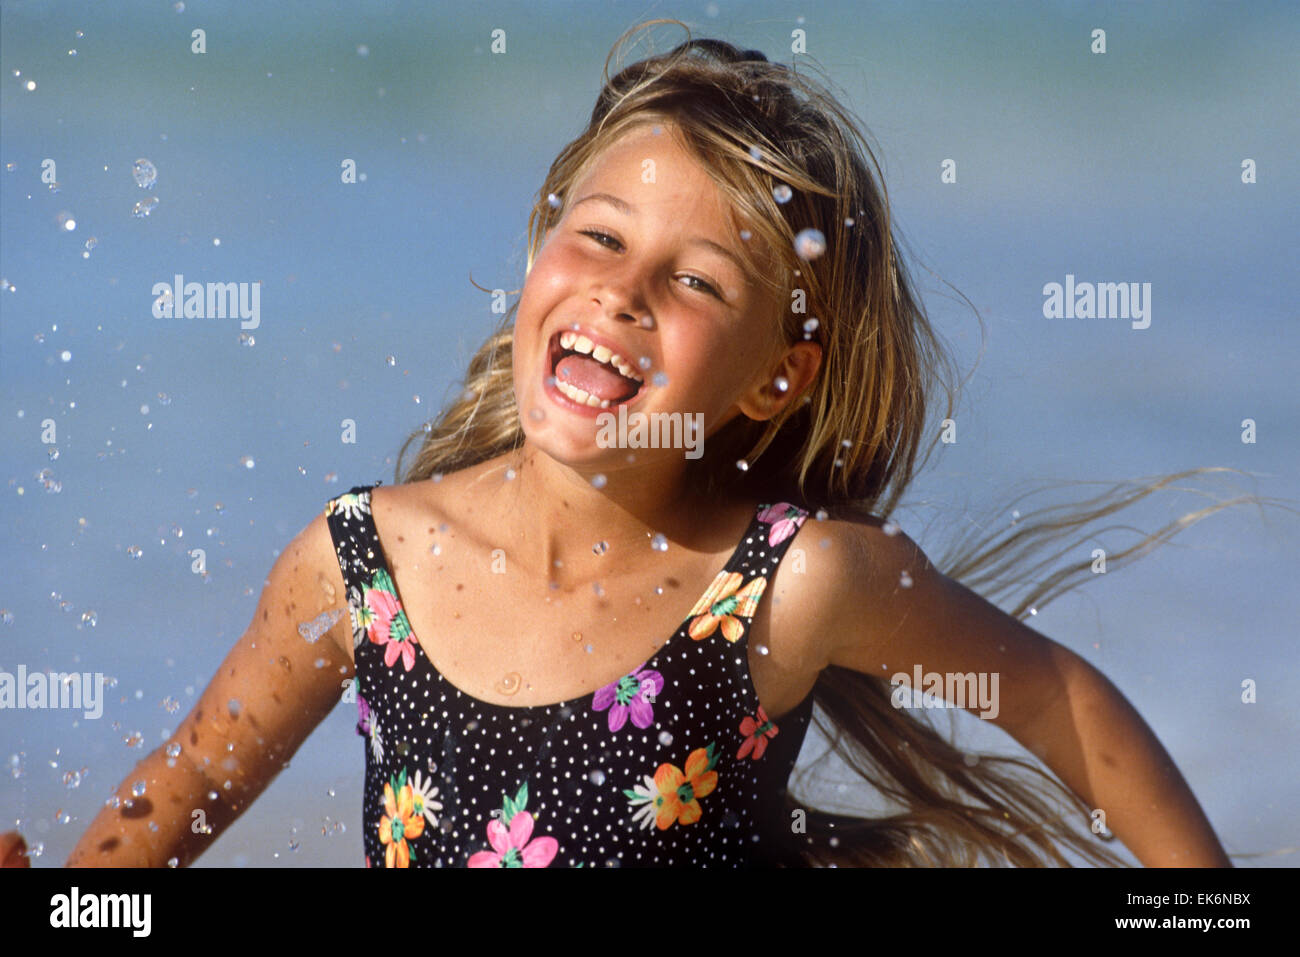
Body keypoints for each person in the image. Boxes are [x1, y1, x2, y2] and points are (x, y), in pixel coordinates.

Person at [9, 20, 1238, 869]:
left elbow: (1054, 695)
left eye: (696, 279)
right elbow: (172, 800)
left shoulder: (783, 587)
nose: (622, 290)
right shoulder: (362, 570)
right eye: (597, 237)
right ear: (541, 255)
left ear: (777, 379)